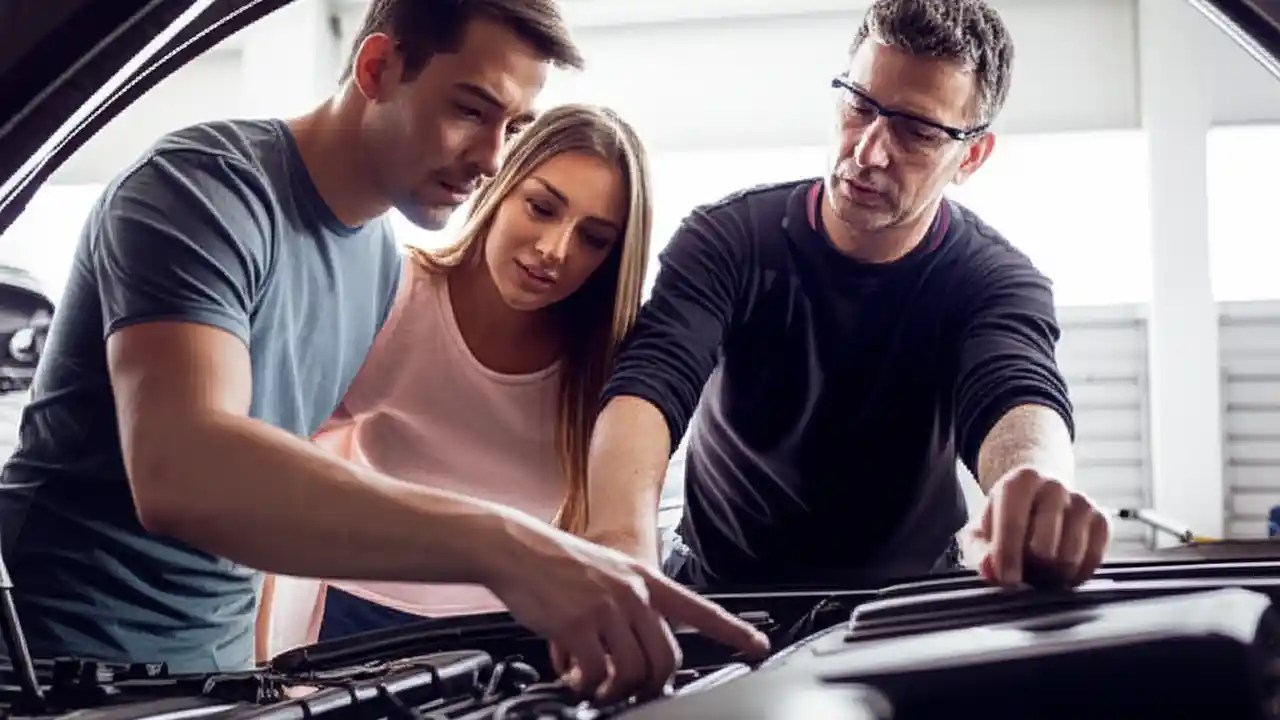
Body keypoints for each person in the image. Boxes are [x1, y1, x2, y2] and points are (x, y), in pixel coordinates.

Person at [0, 0, 768, 699]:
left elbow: (287, 478)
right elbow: (183, 470)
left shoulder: (373, 258)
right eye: (472, 110)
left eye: (514, 128)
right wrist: (505, 544)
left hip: (215, 675)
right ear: (376, 68)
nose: (494, 160)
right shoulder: (204, 190)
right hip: (55, 663)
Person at [579, 0, 1112, 592]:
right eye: (860, 106)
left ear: (972, 156)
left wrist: (1035, 481)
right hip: (722, 591)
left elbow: (1017, 389)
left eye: (917, 131)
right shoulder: (727, 240)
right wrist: (621, 548)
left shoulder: (994, 280)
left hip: (904, 608)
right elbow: (652, 382)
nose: (868, 151)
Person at [254, 102, 655, 655]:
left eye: (594, 238)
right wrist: (262, 659)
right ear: (500, 186)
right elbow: (276, 461)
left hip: (513, 633)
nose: (554, 250)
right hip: (355, 613)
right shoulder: (395, 294)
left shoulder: (610, 362)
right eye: (541, 208)